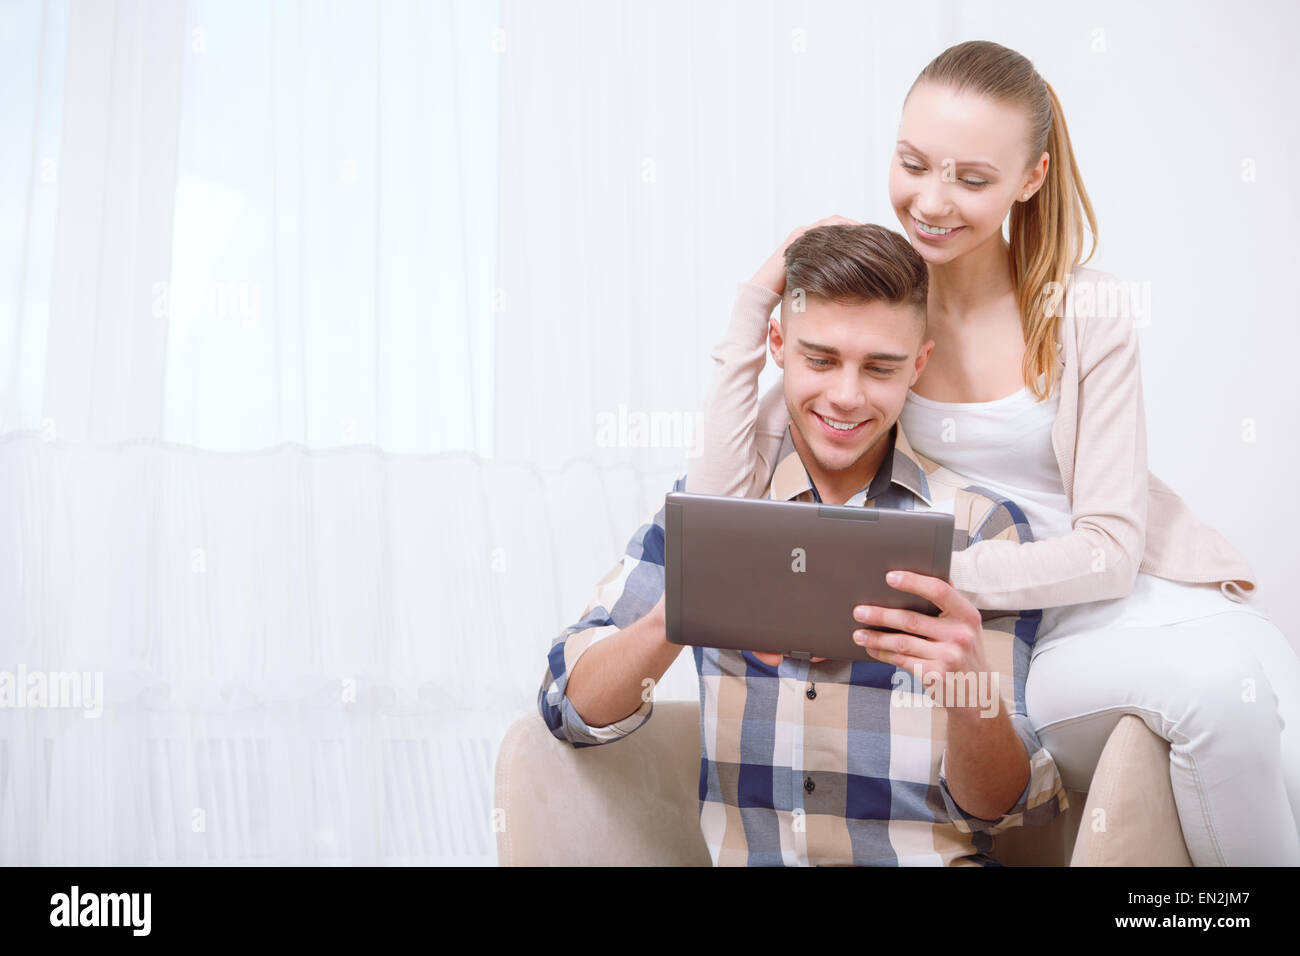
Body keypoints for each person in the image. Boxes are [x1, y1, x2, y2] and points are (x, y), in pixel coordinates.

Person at [685, 40, 1300, 865]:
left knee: (1270, 700)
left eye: (972, 179)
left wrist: (901, 573)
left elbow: (1113, 553)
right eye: (912, 163)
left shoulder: (1083, 309)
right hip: (1015, 638)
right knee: (1221, 698)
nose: (931, 201)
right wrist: (751, 308)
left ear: (1031, 178)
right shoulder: (887, 313)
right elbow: (717, 514)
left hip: (1119, 604)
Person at [538, 223, 1067, 866]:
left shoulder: (984, 528)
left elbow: (1003, 808)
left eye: (880, 367)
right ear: (778, 344)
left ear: (919, 364)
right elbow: (569, 709)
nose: (846, 397)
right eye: (820, 360)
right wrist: (684, 608)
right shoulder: (714, 507)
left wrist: (969, 696)